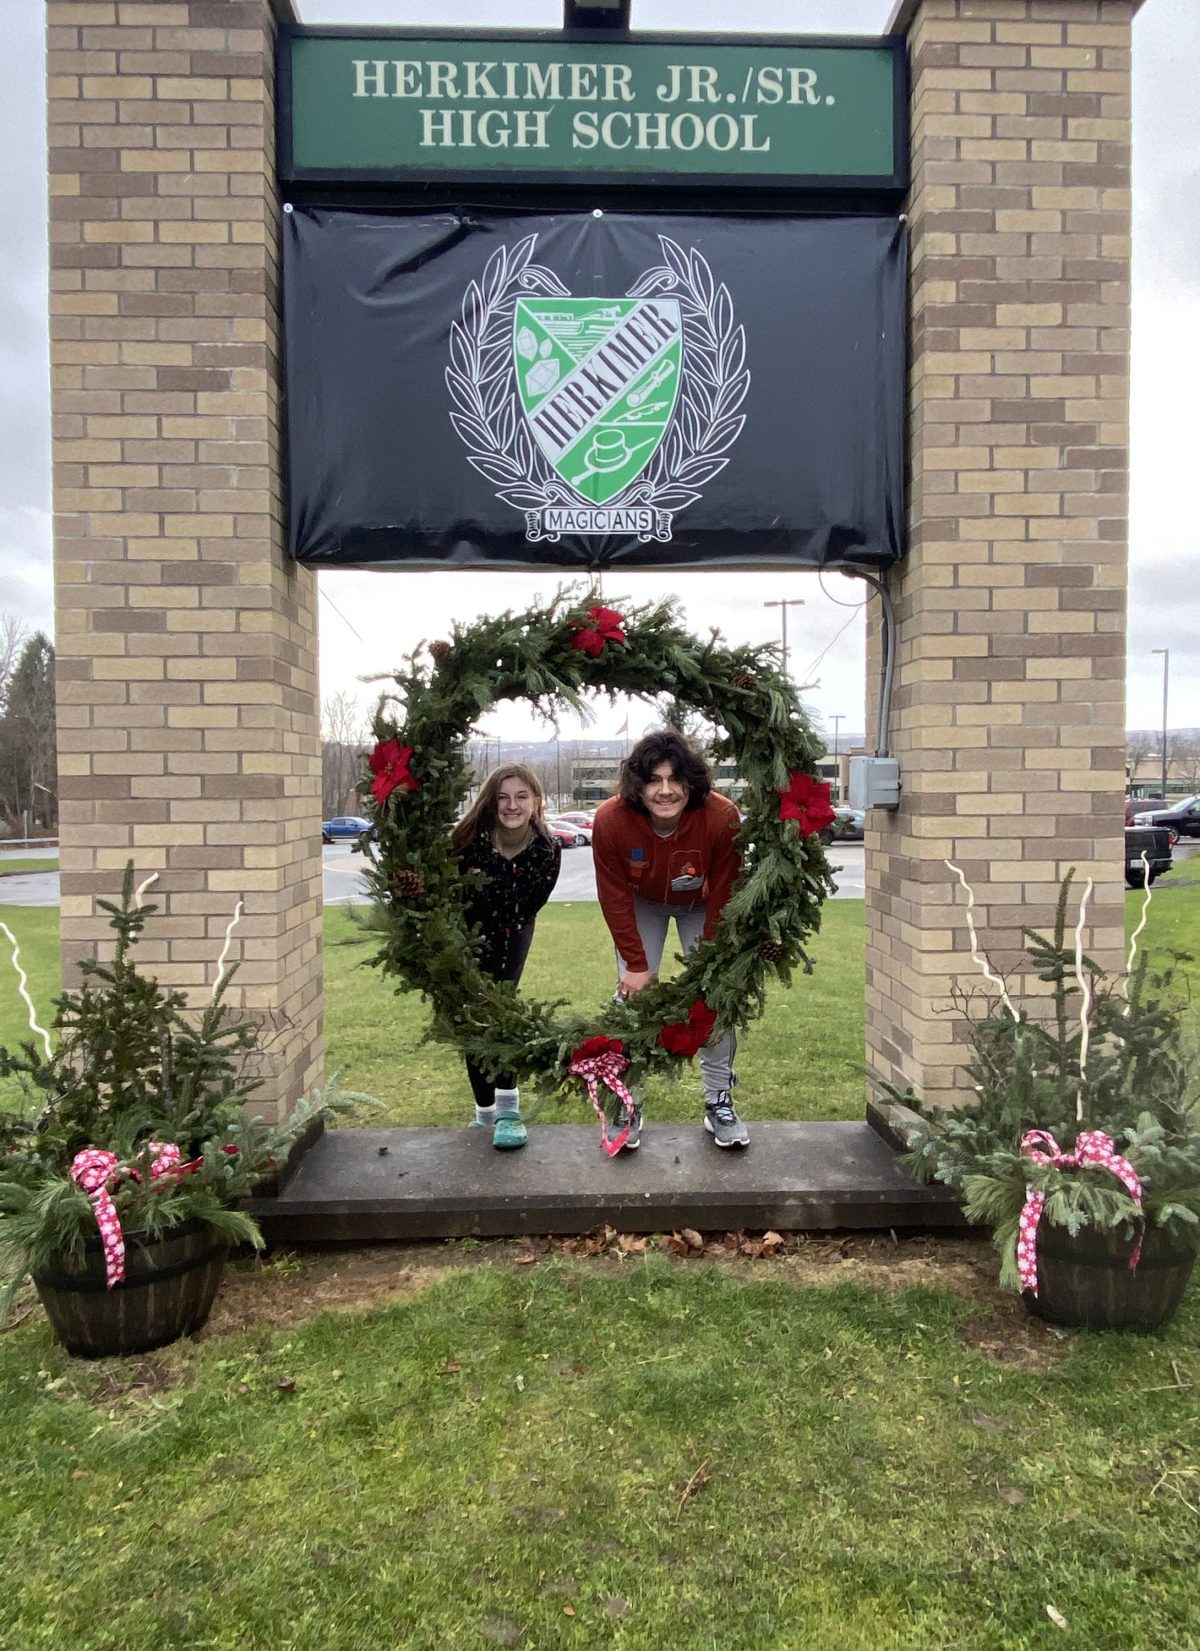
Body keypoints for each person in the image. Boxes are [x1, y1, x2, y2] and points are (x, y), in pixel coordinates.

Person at [591, 729, 747, 1151]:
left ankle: (718, 1099)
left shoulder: (720, 816)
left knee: (715, 996)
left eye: (674, 780)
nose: (664, 791)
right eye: (653, 781)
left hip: (702, 903)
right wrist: (636, 965)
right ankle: (629, 1101)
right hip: (644, 902)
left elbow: (727, 894)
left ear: (691, 782)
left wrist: (709, 967)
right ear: (637, 786)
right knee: (633, 997)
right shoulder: (610, 819)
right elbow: (614, 895)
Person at [451, 764, 561, 1149]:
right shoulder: (467, 841)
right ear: (490, 801)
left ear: (535, 802)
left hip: (514, 930)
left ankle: (509, 1110)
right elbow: (453, 895)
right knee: (469, 1021)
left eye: (520, 796)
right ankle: (484, 1113)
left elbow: (526, 906)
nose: (511, 805)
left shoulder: (547, 849)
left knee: (499, 1010)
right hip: (465, 933)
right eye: (502, 797)